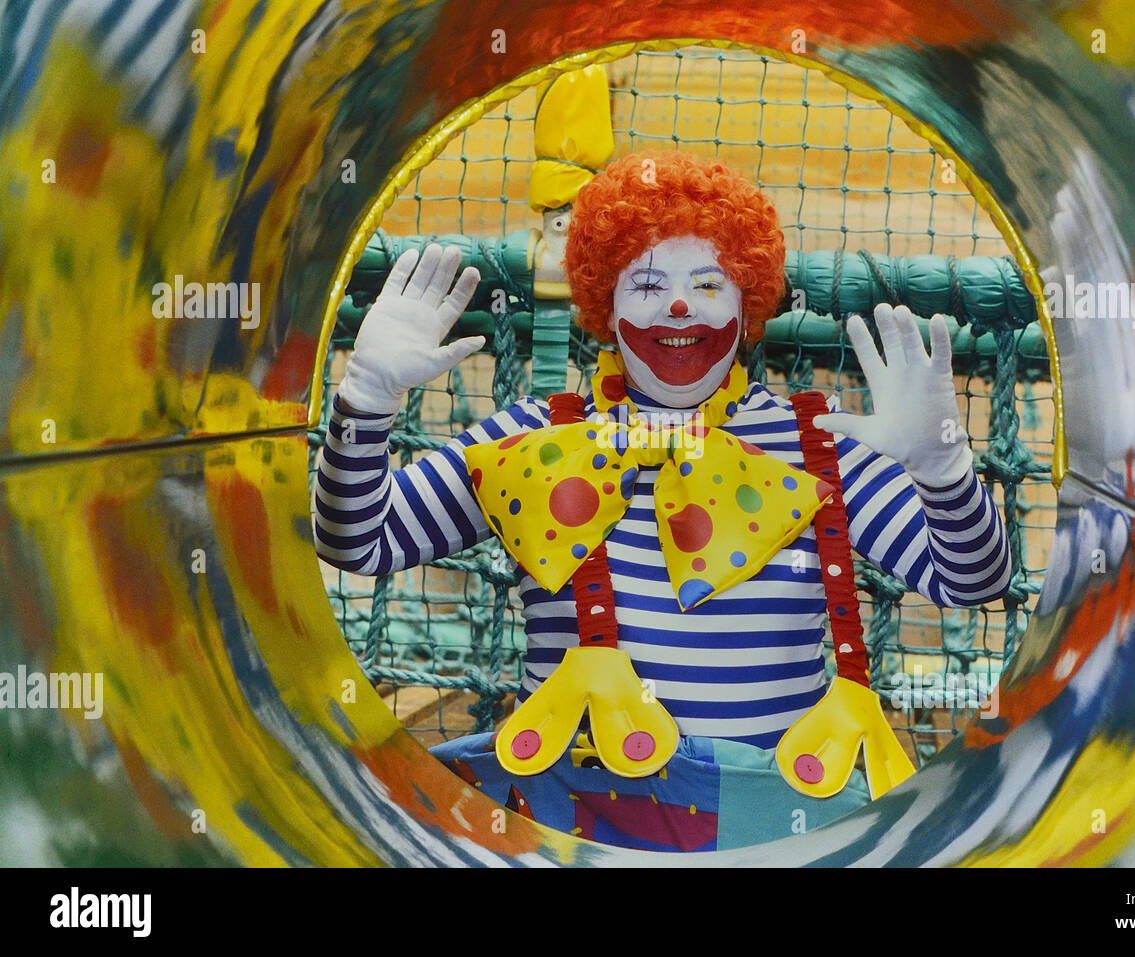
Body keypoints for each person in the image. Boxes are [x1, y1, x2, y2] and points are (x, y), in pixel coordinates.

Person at [313, 152, 1011, 850]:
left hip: (768, 832)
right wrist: (366, 400)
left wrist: (942, 464)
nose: (679, 305)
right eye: (647, 284)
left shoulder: (815, 440)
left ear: (747, 302)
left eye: (709, 282)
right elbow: (359, 540)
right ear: (606, 308)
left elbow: (971, 578)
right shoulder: (537, 437)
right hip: (576, 829)